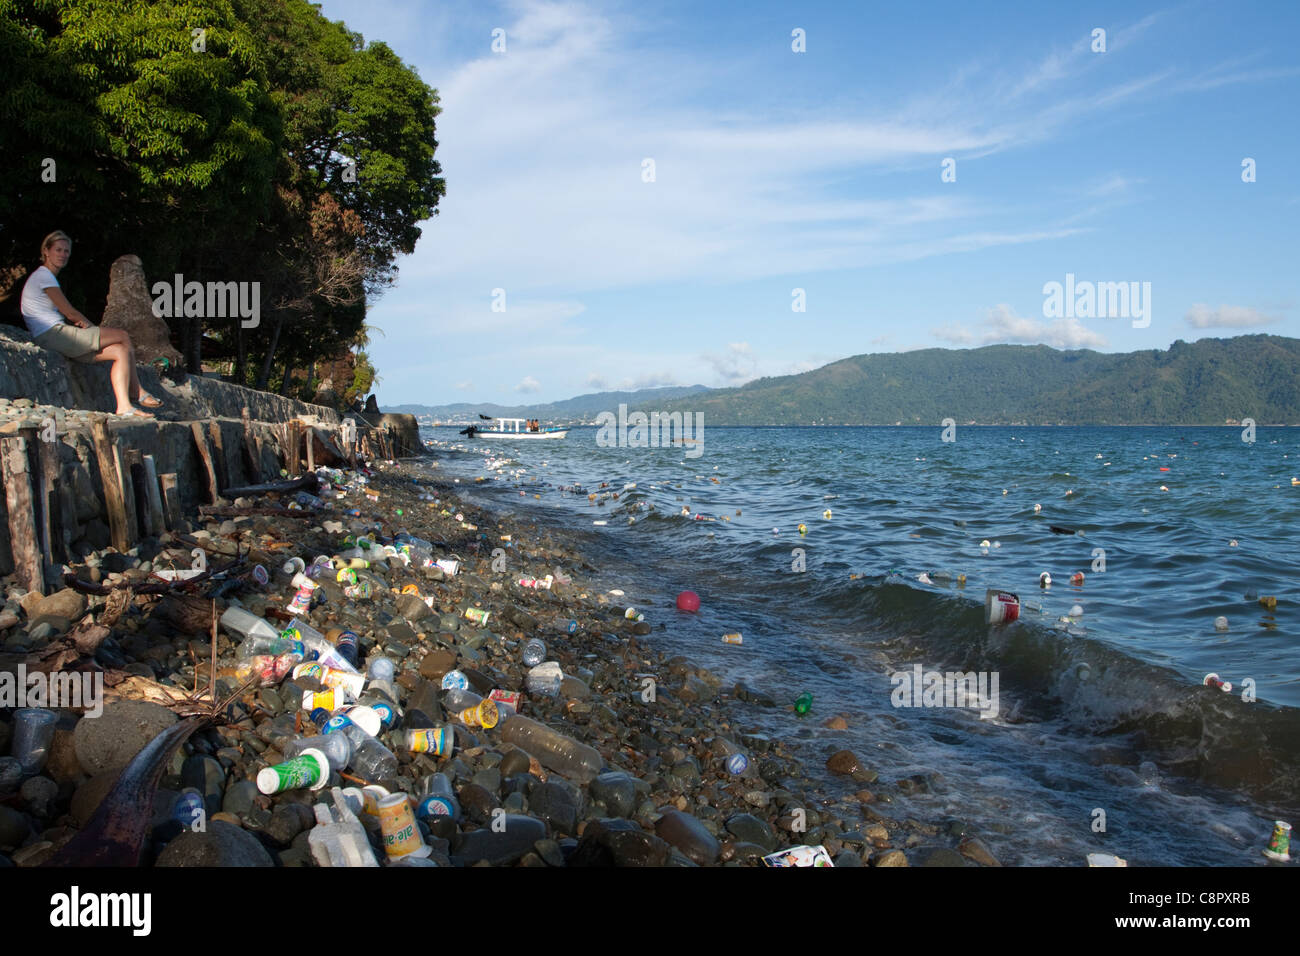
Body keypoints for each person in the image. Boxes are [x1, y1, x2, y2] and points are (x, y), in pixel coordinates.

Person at [20, 231, 163, 418]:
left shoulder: (46, 277)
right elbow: (69, 312)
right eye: (58, 250)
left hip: (54, 336)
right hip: (53, 334)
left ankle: (124, 407)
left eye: (66, 251)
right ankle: (137, 391)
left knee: (120, 351)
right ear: (46, 251)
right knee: (122, 336)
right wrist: (89, 326)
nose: (63, 254)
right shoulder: (43, 276)